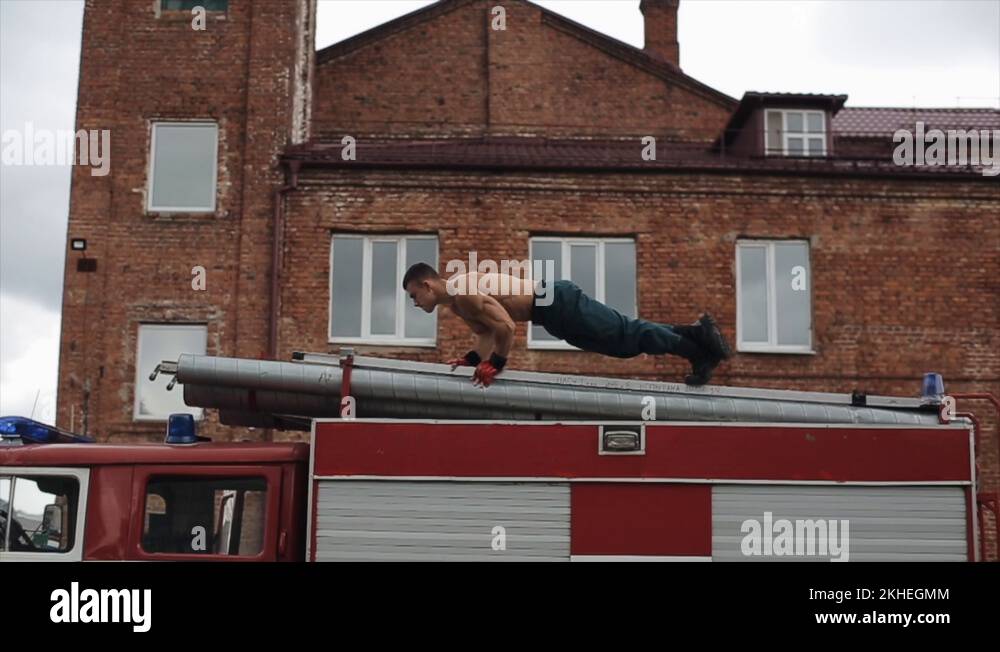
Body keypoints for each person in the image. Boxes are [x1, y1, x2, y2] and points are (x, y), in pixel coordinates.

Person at [401, 262, 732, 387]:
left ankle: (698, 350)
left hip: (554, 301)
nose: (416, 304)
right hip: (551, 313)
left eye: (415, 296)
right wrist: (474, 359)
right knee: (621, 344)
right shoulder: (458, 305)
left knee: (624, 334)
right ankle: (697, 335)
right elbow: (487, 333)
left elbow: (506, 328)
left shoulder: (464, 292)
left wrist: (497, 364)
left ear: (427, 285)